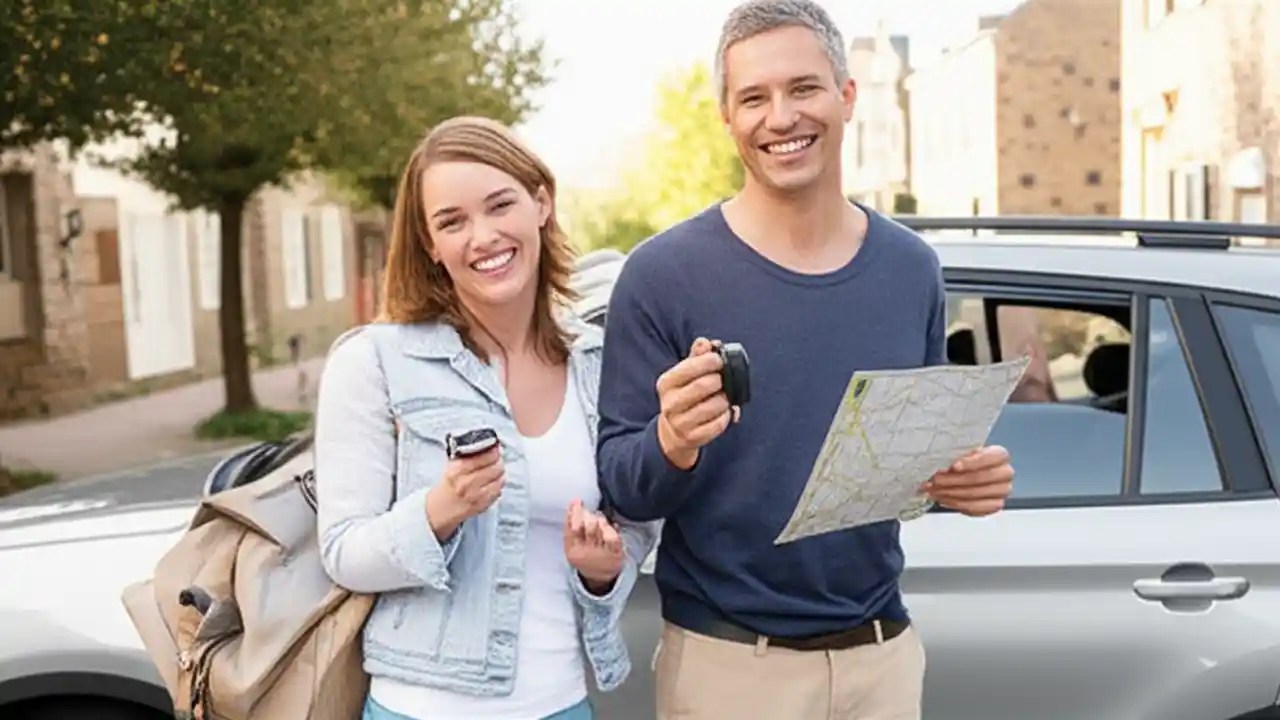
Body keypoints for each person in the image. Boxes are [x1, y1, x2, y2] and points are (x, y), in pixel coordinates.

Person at [595, 1, 1016, 717]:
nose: (781, 117)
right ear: (726, 118)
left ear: (847, 96)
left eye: (803, 88)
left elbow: (901, 469)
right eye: (753, 98)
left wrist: (959, 483)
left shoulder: (911, 270)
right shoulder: (661, 275)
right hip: (729, 670)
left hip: (883, 660)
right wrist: (673, 442)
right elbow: (621, 488)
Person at [314, 116, 657, 720]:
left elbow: (633, 524)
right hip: (419, 709)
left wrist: (606, 568)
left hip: (561, 704)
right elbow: (344, 551)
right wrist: (438, 511)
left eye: (500, 205)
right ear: (429, 243)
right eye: (452, 221)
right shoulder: (374, 360)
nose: (483, 237)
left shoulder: (598, 362)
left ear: (541, 203)